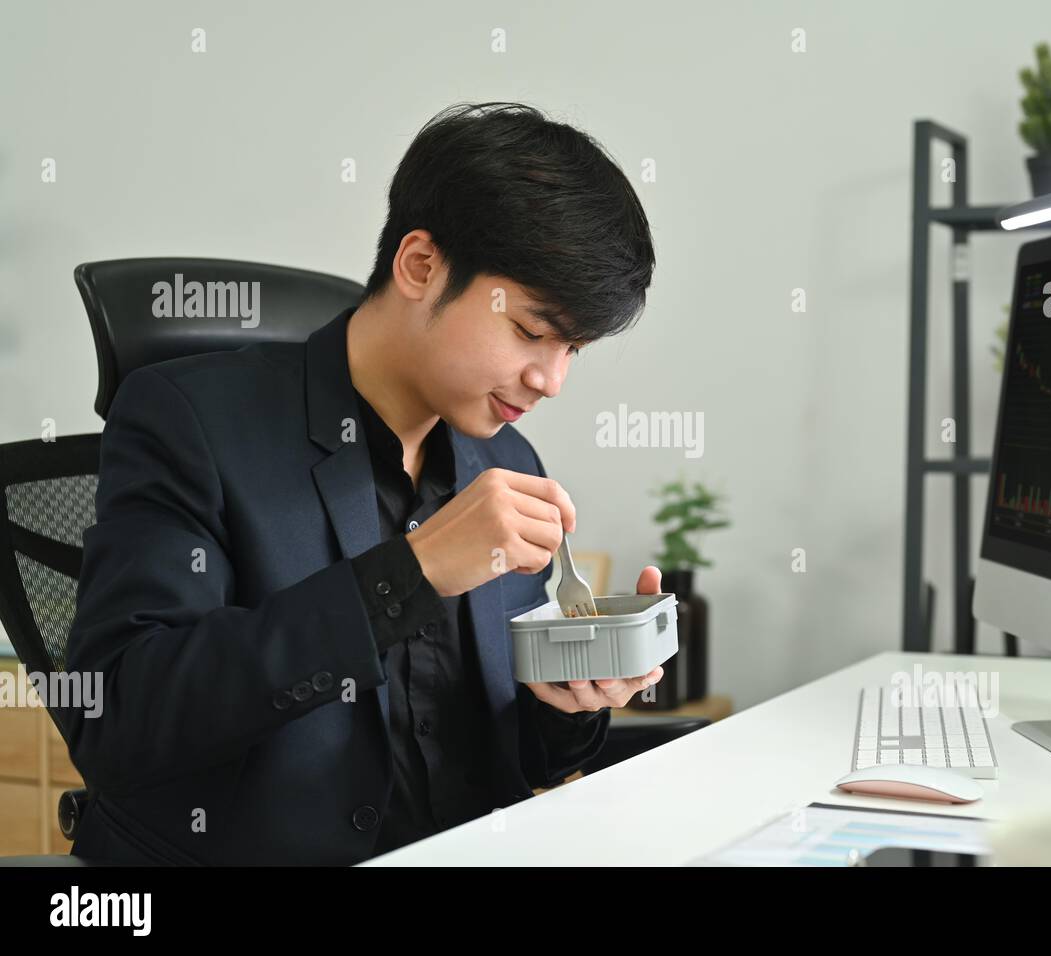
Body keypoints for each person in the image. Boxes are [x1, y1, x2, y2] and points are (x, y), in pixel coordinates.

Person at [65, 102, 659, 865]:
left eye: (574, 348)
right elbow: (118, 720)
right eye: (532, 332)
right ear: (420, 266)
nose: (550, 380)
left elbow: (512, 763)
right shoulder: (187, 422)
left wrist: (570, 701)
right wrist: (406, 576)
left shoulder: (508, 465)